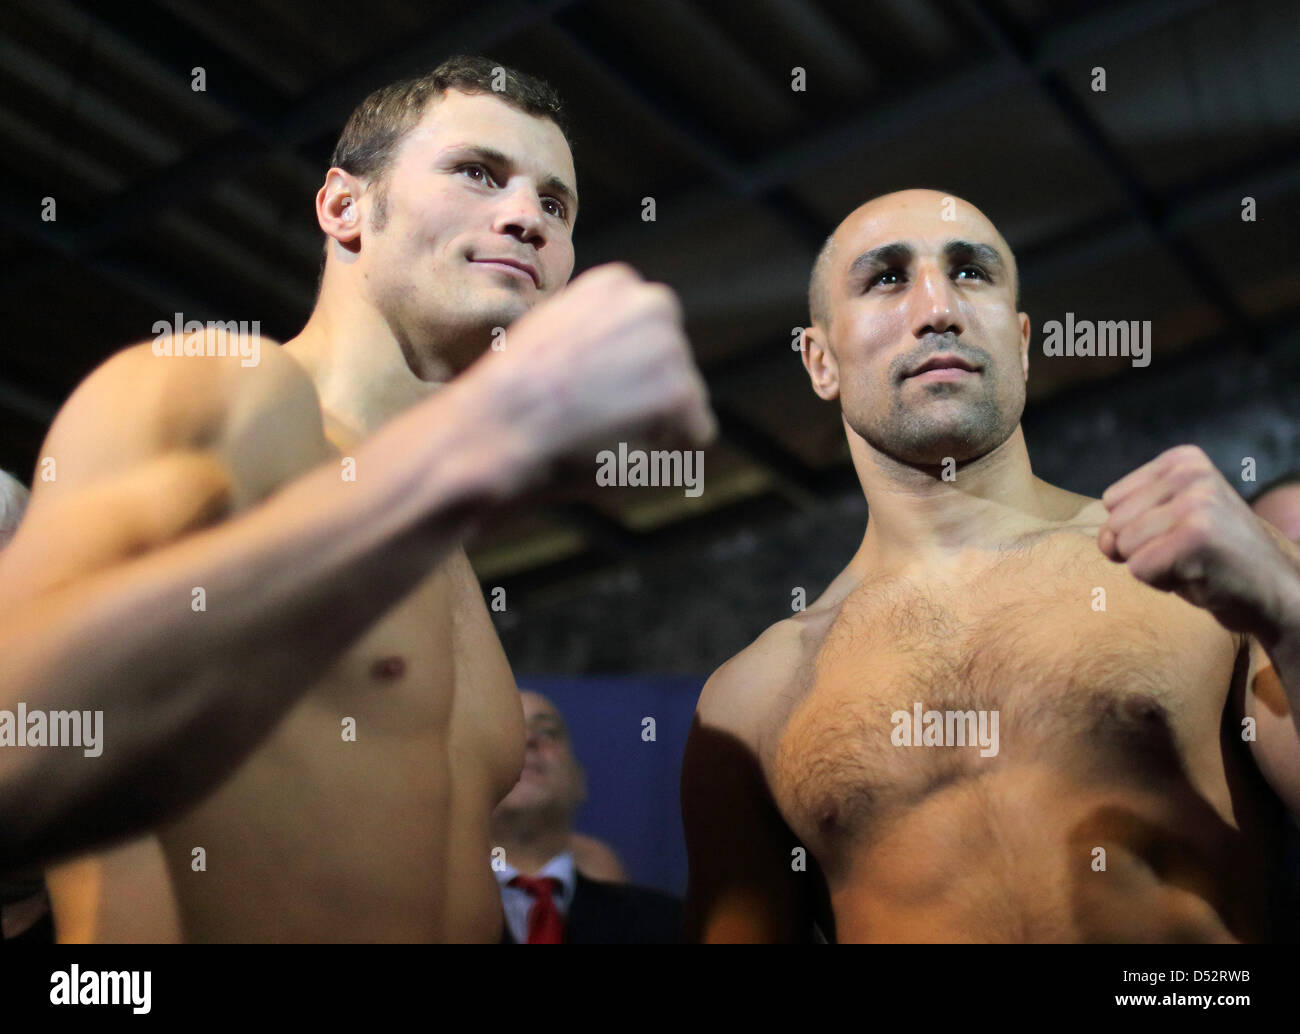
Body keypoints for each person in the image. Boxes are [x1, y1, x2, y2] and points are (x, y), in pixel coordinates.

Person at [0, 55, 713, 941]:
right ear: (343, 207)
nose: (527, 217)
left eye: (556, 205)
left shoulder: (448, 553)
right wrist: (465, 454)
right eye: (478, 173)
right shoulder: (220, 390)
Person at [682, 188, 1300, 943]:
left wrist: (1289, 609)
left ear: (1021, 341)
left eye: (971, 273)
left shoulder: (1205, 574)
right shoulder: (751, 699)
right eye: (886, 278)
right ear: (820, 360)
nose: (937, 307)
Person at [491, 691, 680, 943]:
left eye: (547, 731)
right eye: (505, 733)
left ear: (579, 781)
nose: (528, 740)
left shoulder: (669, 922)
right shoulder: (428, 920)